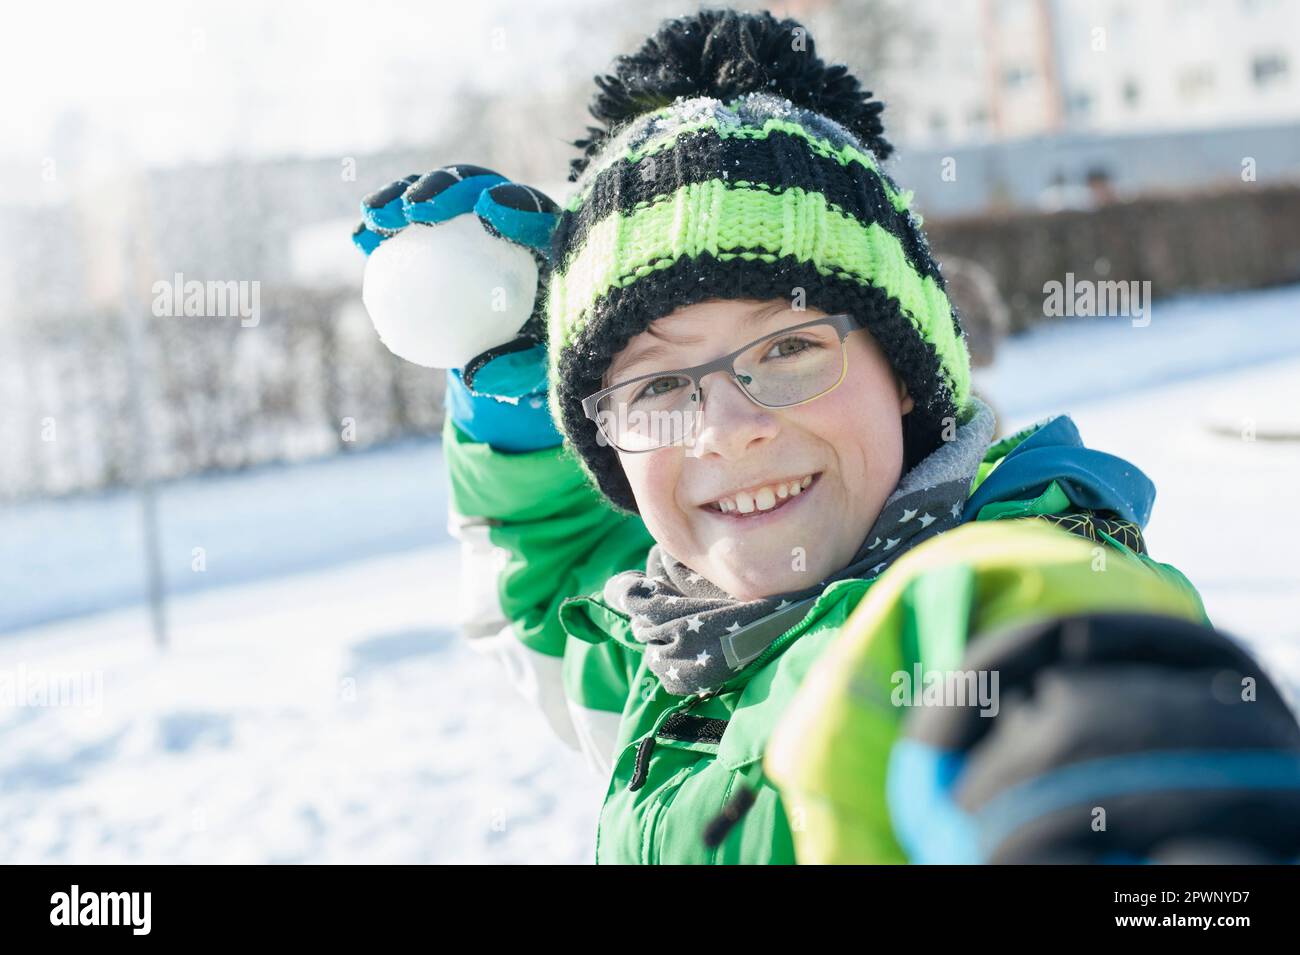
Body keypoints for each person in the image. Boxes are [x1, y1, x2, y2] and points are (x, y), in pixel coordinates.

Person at [353, 10, 1300, 864]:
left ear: (909, 381)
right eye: (659, 385)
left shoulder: (1017, 579)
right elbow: (548, 590)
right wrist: (513, 429)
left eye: (792, 345)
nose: (730, 430)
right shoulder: (662, 656)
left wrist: (1117, 773)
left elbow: (1009, 635)